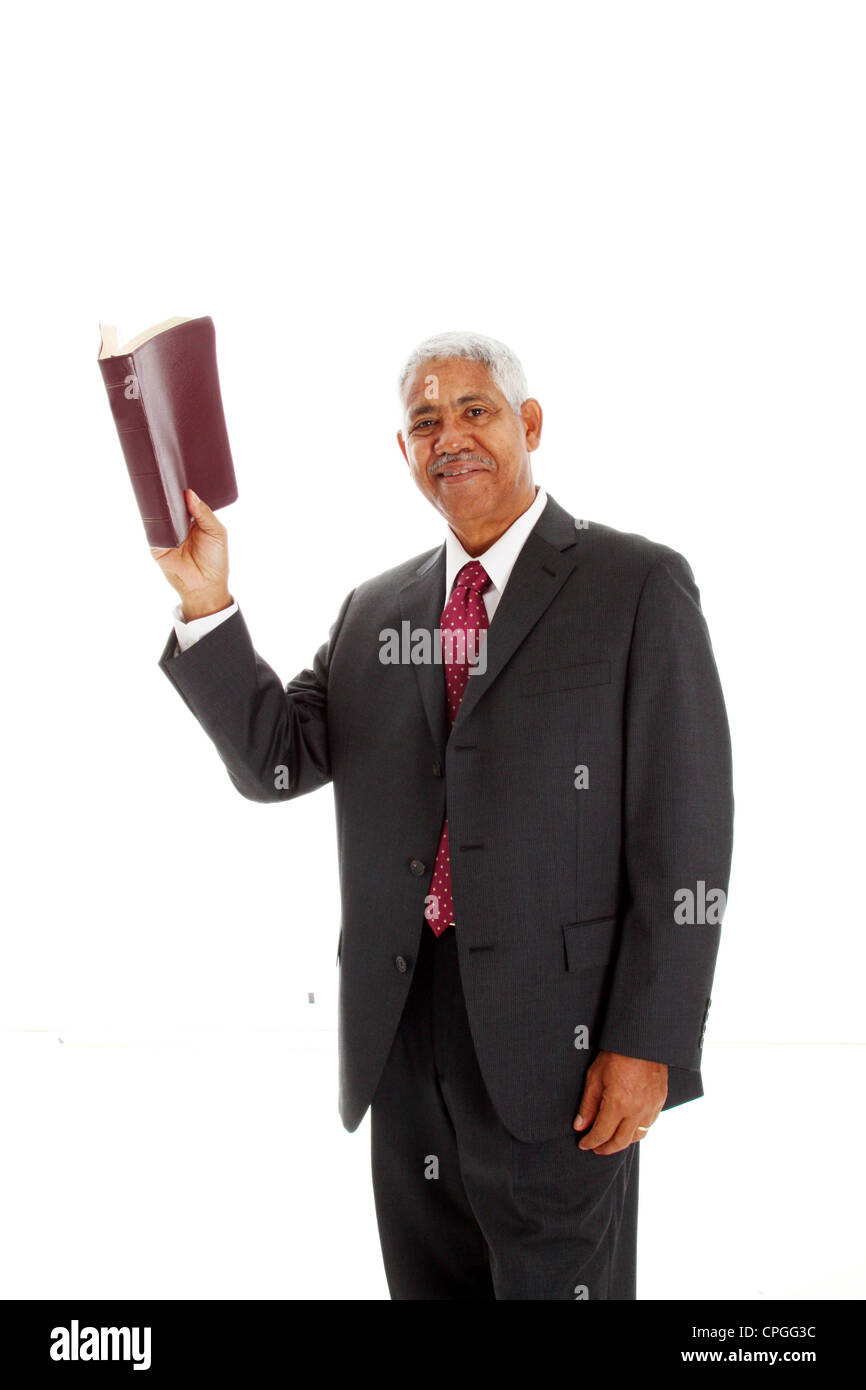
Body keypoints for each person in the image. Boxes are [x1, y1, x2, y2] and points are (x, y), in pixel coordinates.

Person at [152, 331, 734, 1300]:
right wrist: (206, 597)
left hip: (567, 1049)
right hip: (402, 1036)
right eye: (425, 421)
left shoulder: (635, 584)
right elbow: (276, 762)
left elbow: (687, 830)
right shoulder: (375, 610)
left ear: (528, 424)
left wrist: (651, 1042)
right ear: (403, 451)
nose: (448, 436)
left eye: (473, 410)